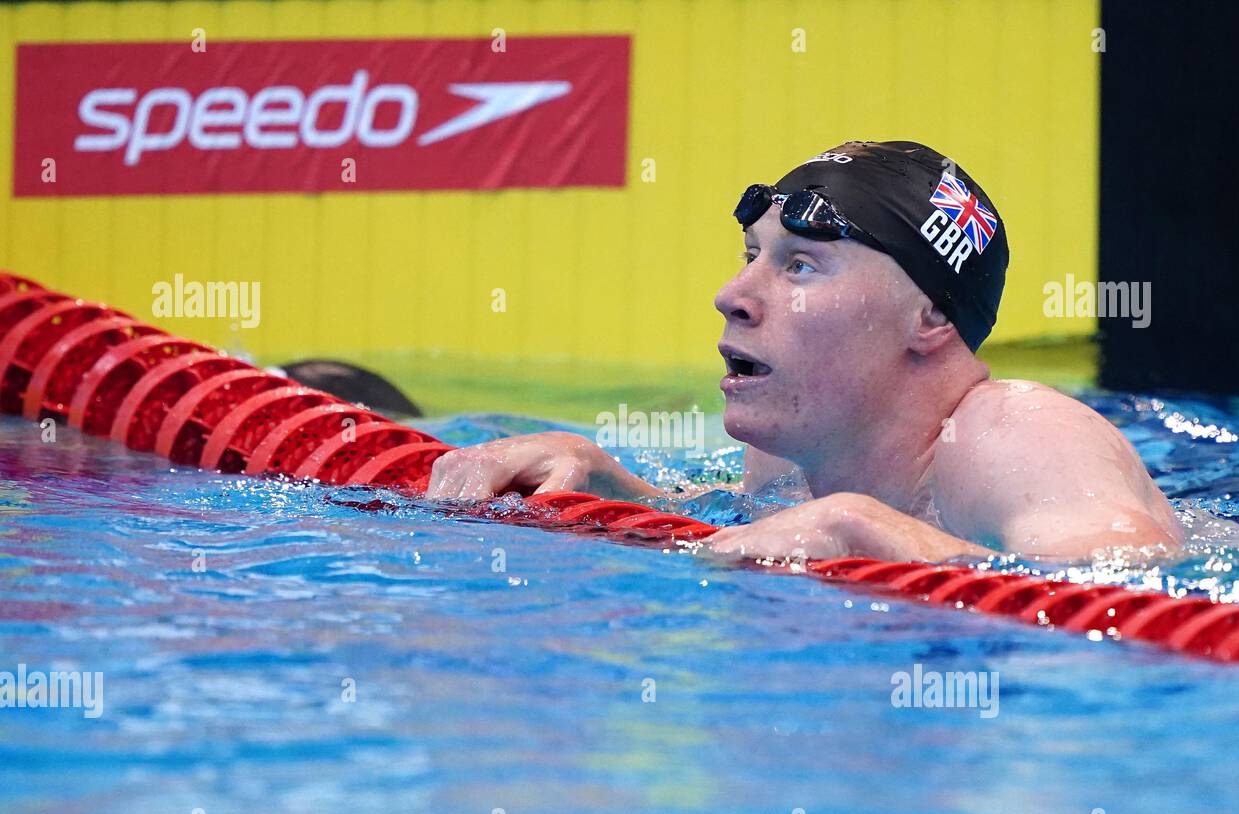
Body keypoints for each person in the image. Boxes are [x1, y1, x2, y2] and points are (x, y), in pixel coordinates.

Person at [425, 140, 1183, 563]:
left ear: (929, 317)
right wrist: (607, 483)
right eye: (752, 254)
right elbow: (730, 525)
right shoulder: (791, 457)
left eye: (799, 265)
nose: (732, 294)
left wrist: (873, 529)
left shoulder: (1016, 436)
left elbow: (1135, 580)